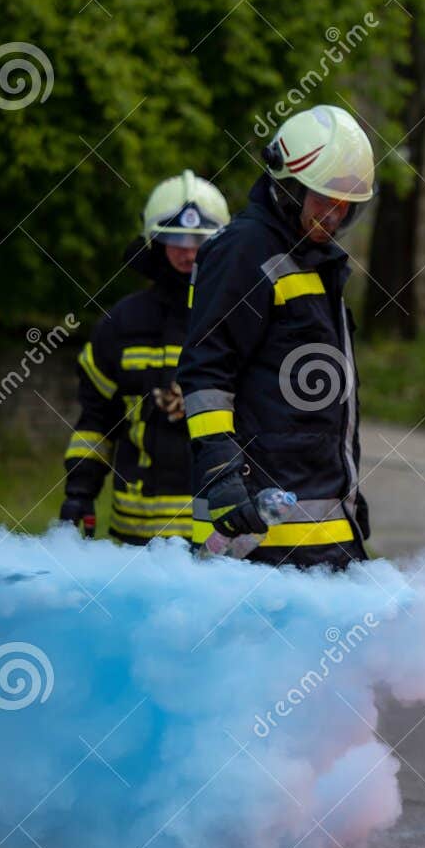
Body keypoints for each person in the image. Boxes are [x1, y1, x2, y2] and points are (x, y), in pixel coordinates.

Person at [175, 104, 376, 569]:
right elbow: (206, 374)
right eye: (324, 199)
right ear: (288, 188)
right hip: (251, 534)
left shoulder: (316, 263)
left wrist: (347, 495)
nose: (335, 215)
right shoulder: (246, 252)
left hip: (320, 532)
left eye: (346, 204)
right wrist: (223, 477)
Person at [61, 171, 229, 543]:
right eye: (176, 240)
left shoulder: (239, 318)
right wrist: (79, 494)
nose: (188, 251)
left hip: (220, 536)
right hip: (137, 538)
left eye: (199, 240)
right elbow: (96, 421)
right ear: (154, 242)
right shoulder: (121, 324)